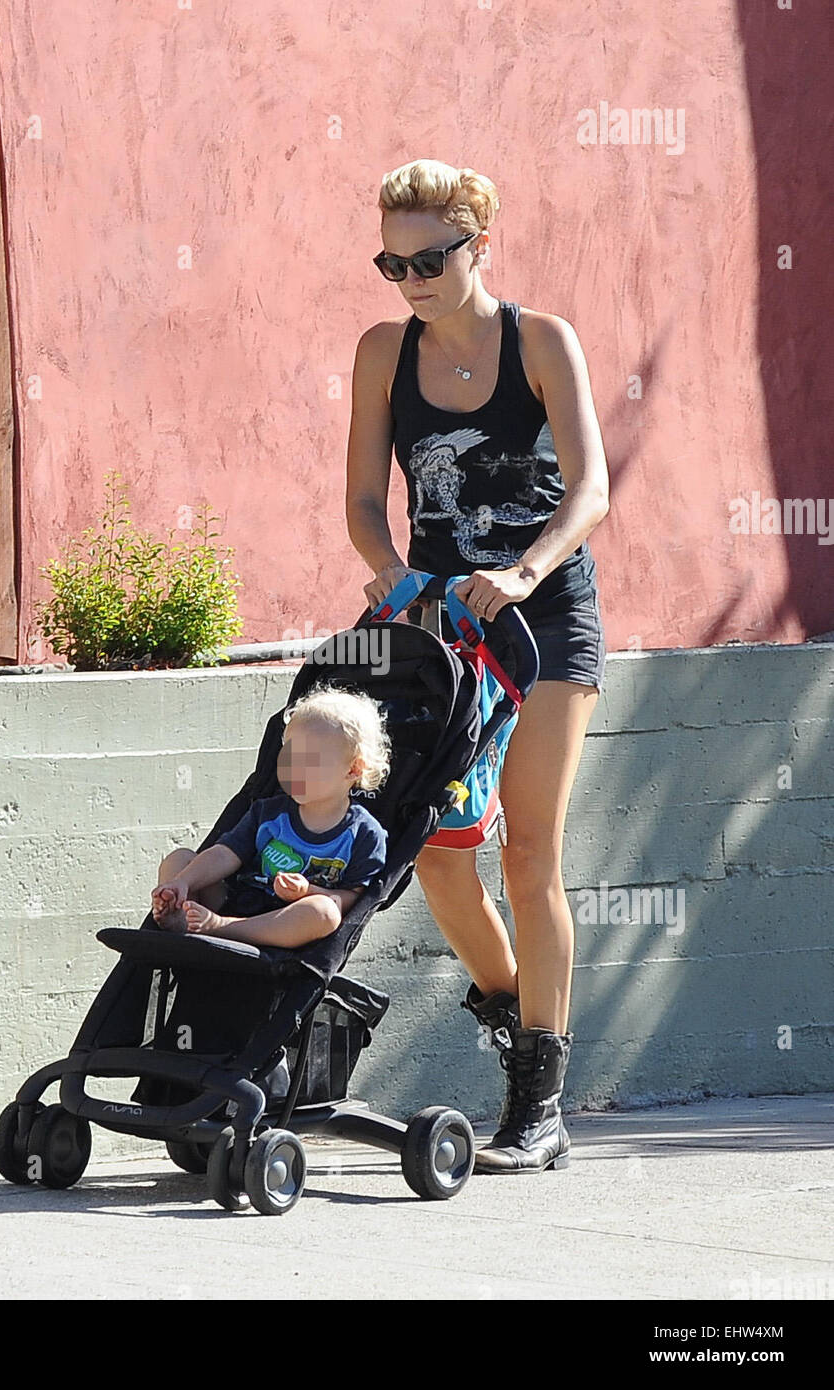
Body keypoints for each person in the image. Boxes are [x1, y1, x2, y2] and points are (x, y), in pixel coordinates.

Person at [346, 159, 610, 1172]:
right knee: (439, 854)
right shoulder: (383, 352)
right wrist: (388, 569)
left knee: (527, 851)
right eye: (392, 263)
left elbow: (588, 489)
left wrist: (526, 568)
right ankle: (517, 1014)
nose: (410, 279)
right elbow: (363, 501)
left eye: (428, 260)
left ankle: (538, 1106)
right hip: (442, 627)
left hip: (544, 619)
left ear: (478, 246)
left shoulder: (540, 341)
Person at [151, 687, 389, 949]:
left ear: (353, 769)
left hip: (284, 923)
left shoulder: (364, 834)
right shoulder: (269, 812)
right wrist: (182, 882)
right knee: (180, 860)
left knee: (326, 912)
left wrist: (307, 891)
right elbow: (225, 854)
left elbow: (353, 900)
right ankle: (181, 915)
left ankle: (221, 929)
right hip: (234, 901)